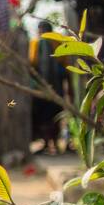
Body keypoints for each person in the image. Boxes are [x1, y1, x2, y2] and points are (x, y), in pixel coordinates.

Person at [30, 19, 67, 154]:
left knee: (46, 116)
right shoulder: (58, 43)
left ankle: (48, 143)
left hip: (43, 88)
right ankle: (53, 144)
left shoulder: (36, 43)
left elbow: (31, 63)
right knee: (54, 116)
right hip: (55, 88)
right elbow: (65, 66)